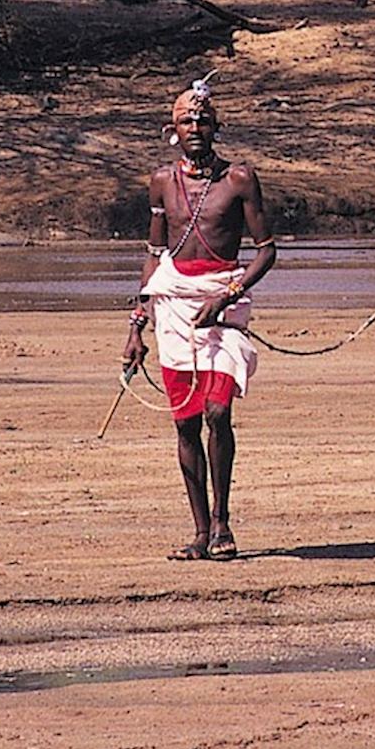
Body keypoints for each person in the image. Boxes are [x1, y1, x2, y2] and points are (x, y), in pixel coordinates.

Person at [123, 79, 277, 561]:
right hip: (172, 307)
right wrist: (135, 325)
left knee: (217, 412)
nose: (195, 127)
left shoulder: (239, 179)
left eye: (203, 119)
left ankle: (222, 523)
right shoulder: (162, 182)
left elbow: (266, 252)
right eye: (187, 120)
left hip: (222, 306)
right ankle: (197, 531)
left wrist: (229, 293)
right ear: (173, 129)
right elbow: (154, 256)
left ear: (217, 126)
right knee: (186, 423)